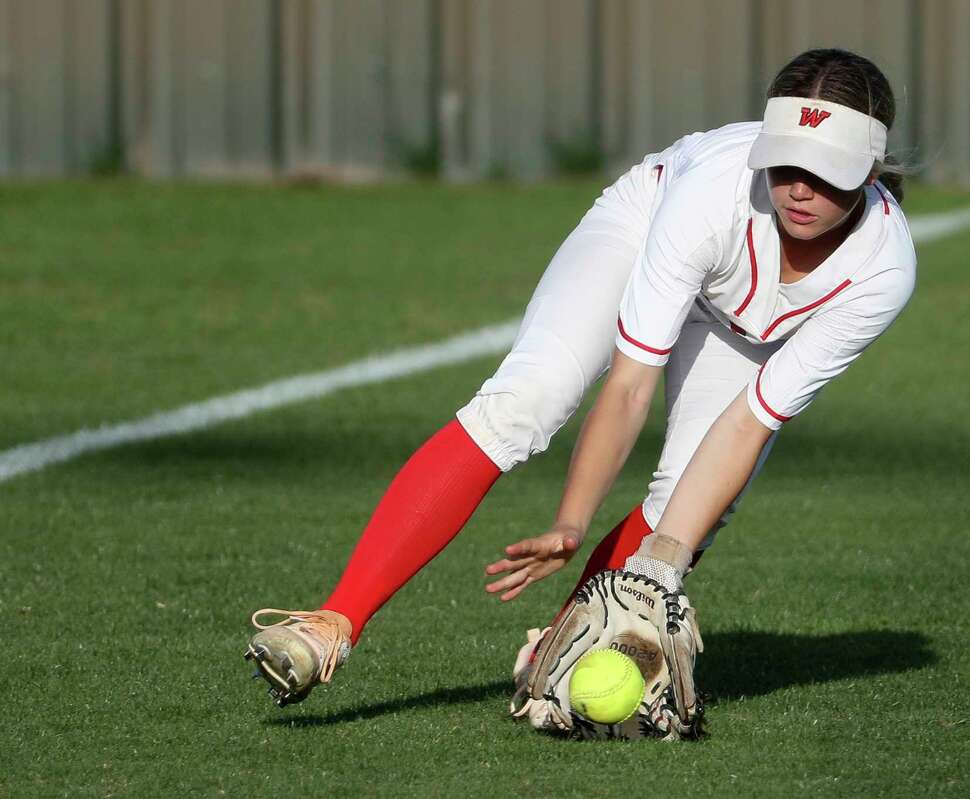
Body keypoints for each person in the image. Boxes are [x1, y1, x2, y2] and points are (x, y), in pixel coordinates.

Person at [244, 48, 916, 711]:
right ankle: (331, 623)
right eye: (786, 162)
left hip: (745, 330)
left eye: (828, 172)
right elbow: (628, 387)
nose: (800, 187)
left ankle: (553, 654)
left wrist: (659, 570)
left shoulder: (882, 270)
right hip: (643, 229)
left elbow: (749, 421)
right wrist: (571, 519)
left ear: (870, 168)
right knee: (526, 400)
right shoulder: (715, 191)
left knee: (690, 514)